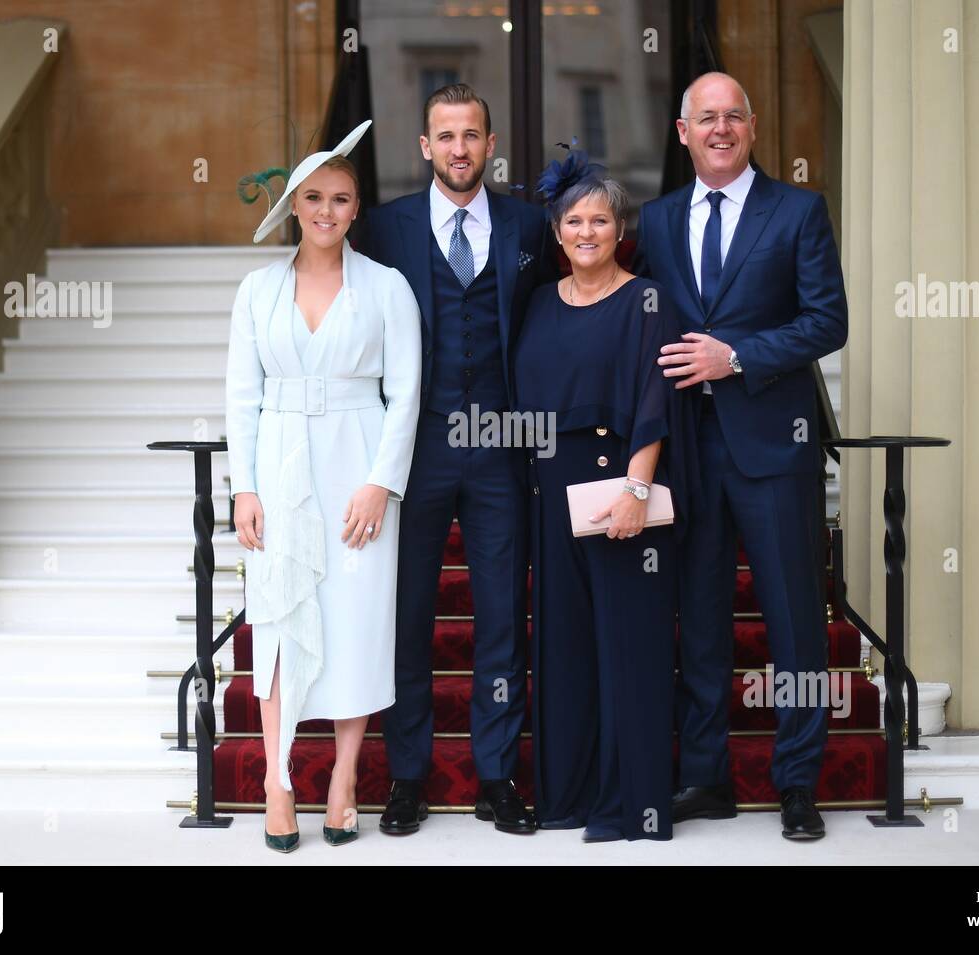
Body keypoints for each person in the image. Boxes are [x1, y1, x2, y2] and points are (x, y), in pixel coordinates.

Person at [633, 72, 848, 840]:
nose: (720, 129)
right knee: (701, 620)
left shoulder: (798, 211)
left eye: (734, 117)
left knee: (794, 619)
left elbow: (828, 321)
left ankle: (797, 781)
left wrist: (740, 357)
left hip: (776, 451)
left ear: (752, 129)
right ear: (683, 132)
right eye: (706, 118)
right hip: (689, 453)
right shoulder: (655, 223)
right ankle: (706, 775)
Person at [360, 83, 558, 835]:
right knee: (407, 614)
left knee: (502, 616)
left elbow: (548, 320)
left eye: (472, 135)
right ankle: (407, 775)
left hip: (502, 447)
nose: (460, 149)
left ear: (490, 141)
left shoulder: (529, 226)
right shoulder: (383, 230)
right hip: (414, 449)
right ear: (424, 145)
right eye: (445, 136)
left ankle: (497, 775)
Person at [225, 120, 422, 853]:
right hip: (277, 465)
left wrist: (380, 485)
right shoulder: (256, 290)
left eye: (341, 198)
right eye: (314, 197)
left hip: (356, 464)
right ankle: (278, 781)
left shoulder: (387, 288)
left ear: (355, 207)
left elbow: (405, 394)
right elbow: (241, 397)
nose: (327, 211)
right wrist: (244, 489)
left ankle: (341, 781)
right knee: (277, 621)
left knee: (357, 621)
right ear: (295, 204)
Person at [514, 151, 697, 842]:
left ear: (620, 229)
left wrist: (636, 486)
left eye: (599, 219)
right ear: (557, 234)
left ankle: (632, 804)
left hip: (623, 483)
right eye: (573, 221)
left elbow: (657, 401)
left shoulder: (650, 299)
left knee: (632, 644)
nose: (586, 231)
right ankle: (569, 793)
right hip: (552, 485)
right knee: (564, 645)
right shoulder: (537, 302)